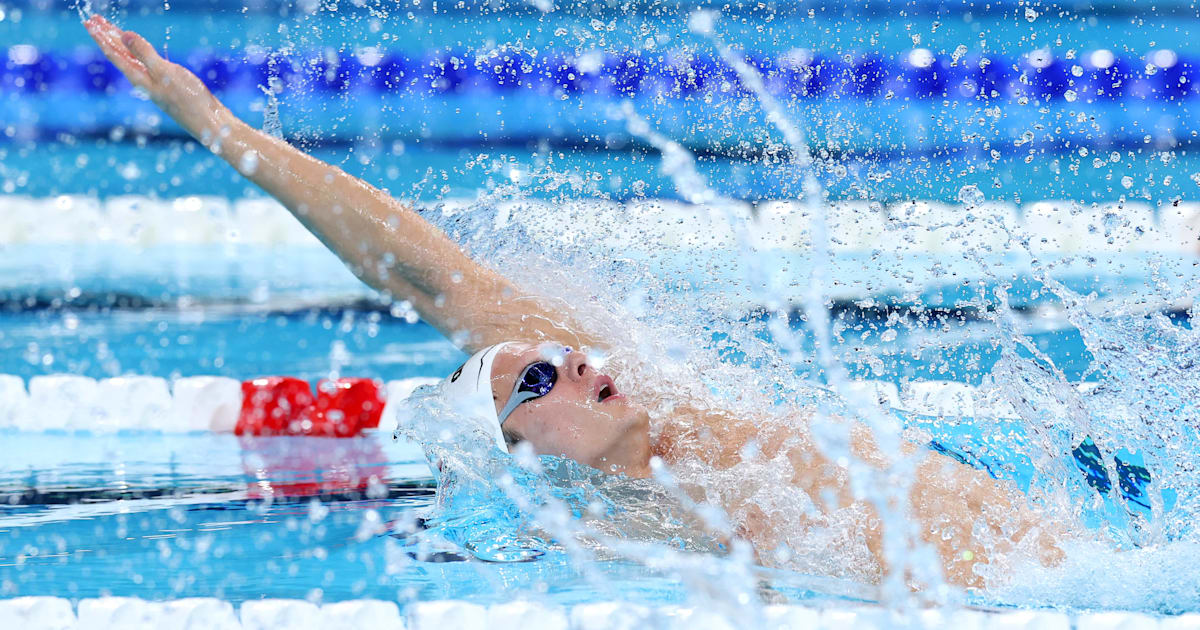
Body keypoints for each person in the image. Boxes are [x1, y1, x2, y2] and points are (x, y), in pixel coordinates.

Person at [84, 14, 1068, 589]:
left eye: (557, 354)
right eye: (543, 378)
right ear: (519, 447)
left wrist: (217, 126)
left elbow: (418, 273)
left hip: (1057, 550)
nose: (584, 363)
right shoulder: (626, 535)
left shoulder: (669, 394)